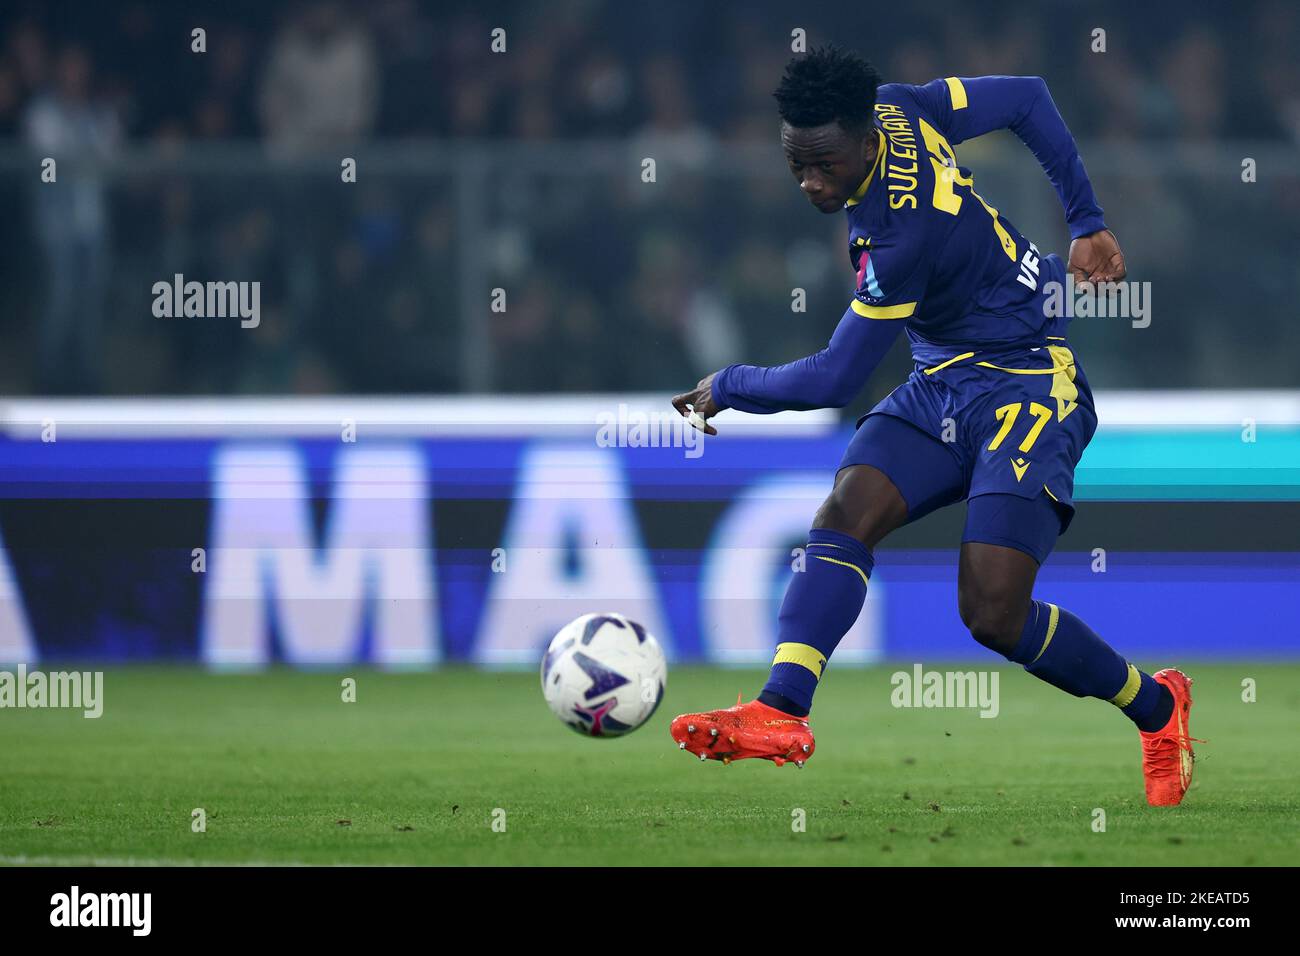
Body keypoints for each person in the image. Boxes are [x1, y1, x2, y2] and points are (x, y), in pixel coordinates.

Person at [668, 47, 1197, 807]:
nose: (811, 182)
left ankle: (1156, 706)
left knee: (991, 612)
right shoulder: (899, 105)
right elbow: (1026, 95)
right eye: (796, 166)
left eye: (824, 164)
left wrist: (729, 385)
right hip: (942, 381)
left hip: (1027, 381)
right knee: (844, 513)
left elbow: (837, 379)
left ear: (862, 138)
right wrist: (1084, 220)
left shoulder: (898, 232)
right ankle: (780, 711)